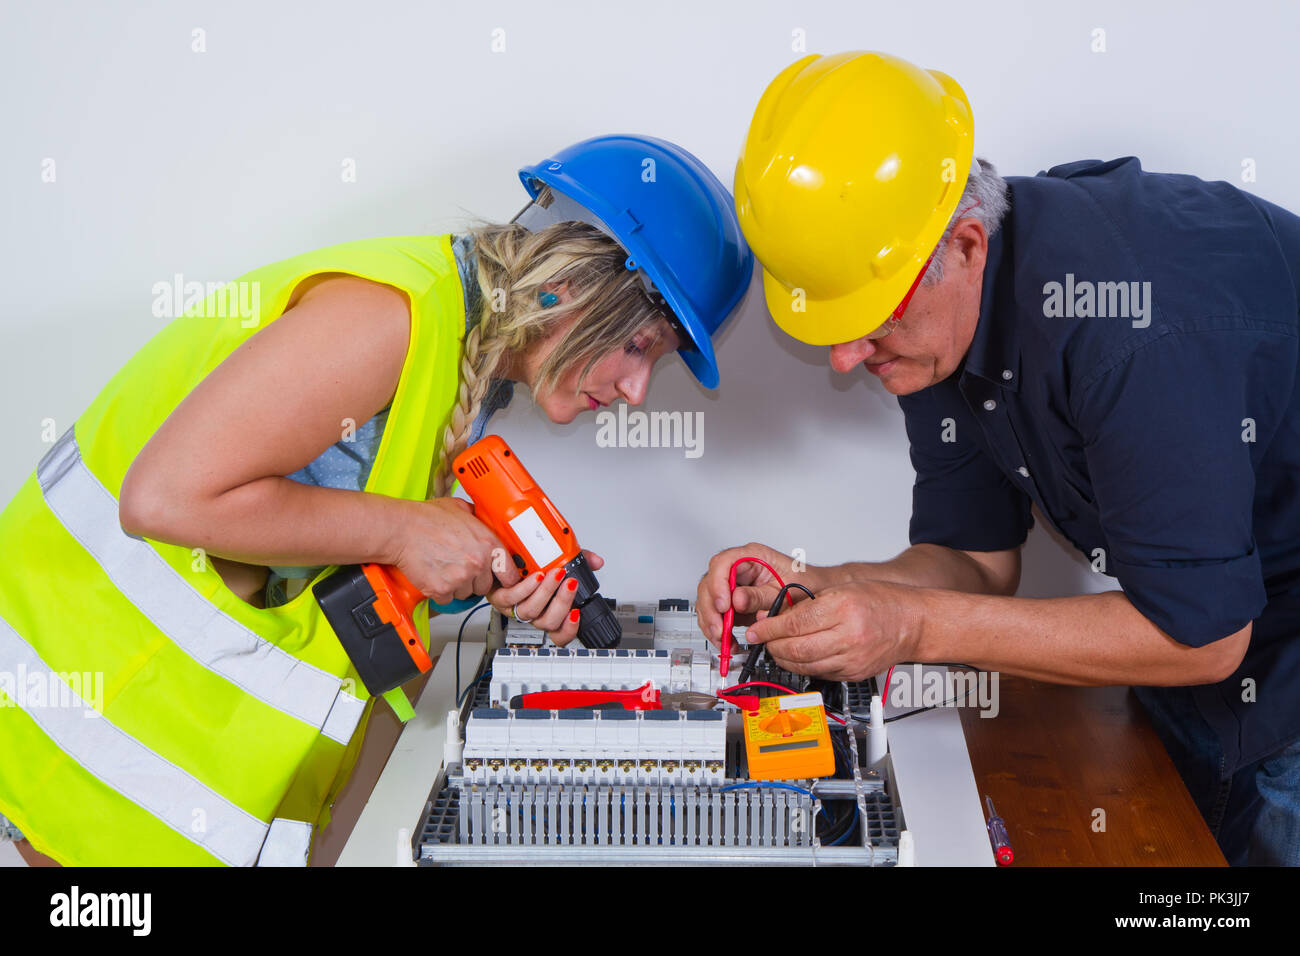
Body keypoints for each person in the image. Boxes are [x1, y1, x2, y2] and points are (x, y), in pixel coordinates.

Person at [0, 133, 753, 865]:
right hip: (73, 730)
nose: (636, 390)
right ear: (579, 284)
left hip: (151, 770)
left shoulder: (467, 366)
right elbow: (163, 499)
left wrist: (472, 573)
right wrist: (403, 533)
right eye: (640, 345)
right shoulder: (392, 316)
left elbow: (317, 535)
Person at [699, 50, 1300, 866]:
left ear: (969, 246)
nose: (846, 356)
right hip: (1210, 657)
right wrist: (822, 589)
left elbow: (1204, 637)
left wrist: (908, 626)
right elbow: (976, 564)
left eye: (868, 317)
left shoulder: (1130, 331)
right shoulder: (933, 324)